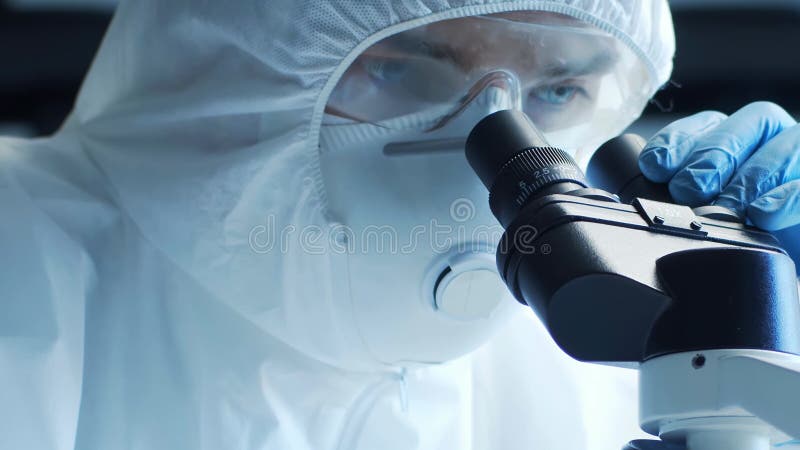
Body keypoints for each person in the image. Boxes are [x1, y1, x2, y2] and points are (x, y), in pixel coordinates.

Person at [0, 1, 797, 449]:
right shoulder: (23, 257)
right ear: (221, 60)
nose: (493, 142)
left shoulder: (600, 324)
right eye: (398, 69)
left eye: (556, 91)